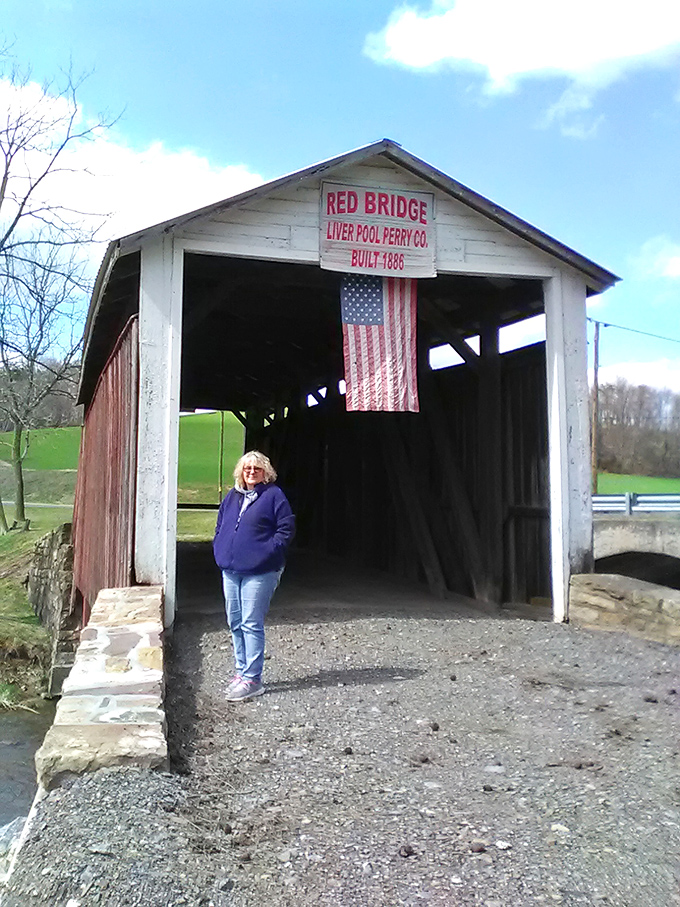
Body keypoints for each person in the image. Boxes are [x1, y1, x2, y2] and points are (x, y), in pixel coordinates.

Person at [213, 451, 295, 702]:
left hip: (260, 571)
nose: (251, 472)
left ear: (265, 473)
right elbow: (220, 525)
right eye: (247, 468)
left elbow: (286, 528)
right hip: (231, 569)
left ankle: (253, 679)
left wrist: (267, 553)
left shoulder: (273, 496)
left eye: (257, 469)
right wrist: (220, 545)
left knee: (251, 622)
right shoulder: (232, 497)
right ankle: (241, 672)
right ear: (240, 470)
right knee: (235, 622)